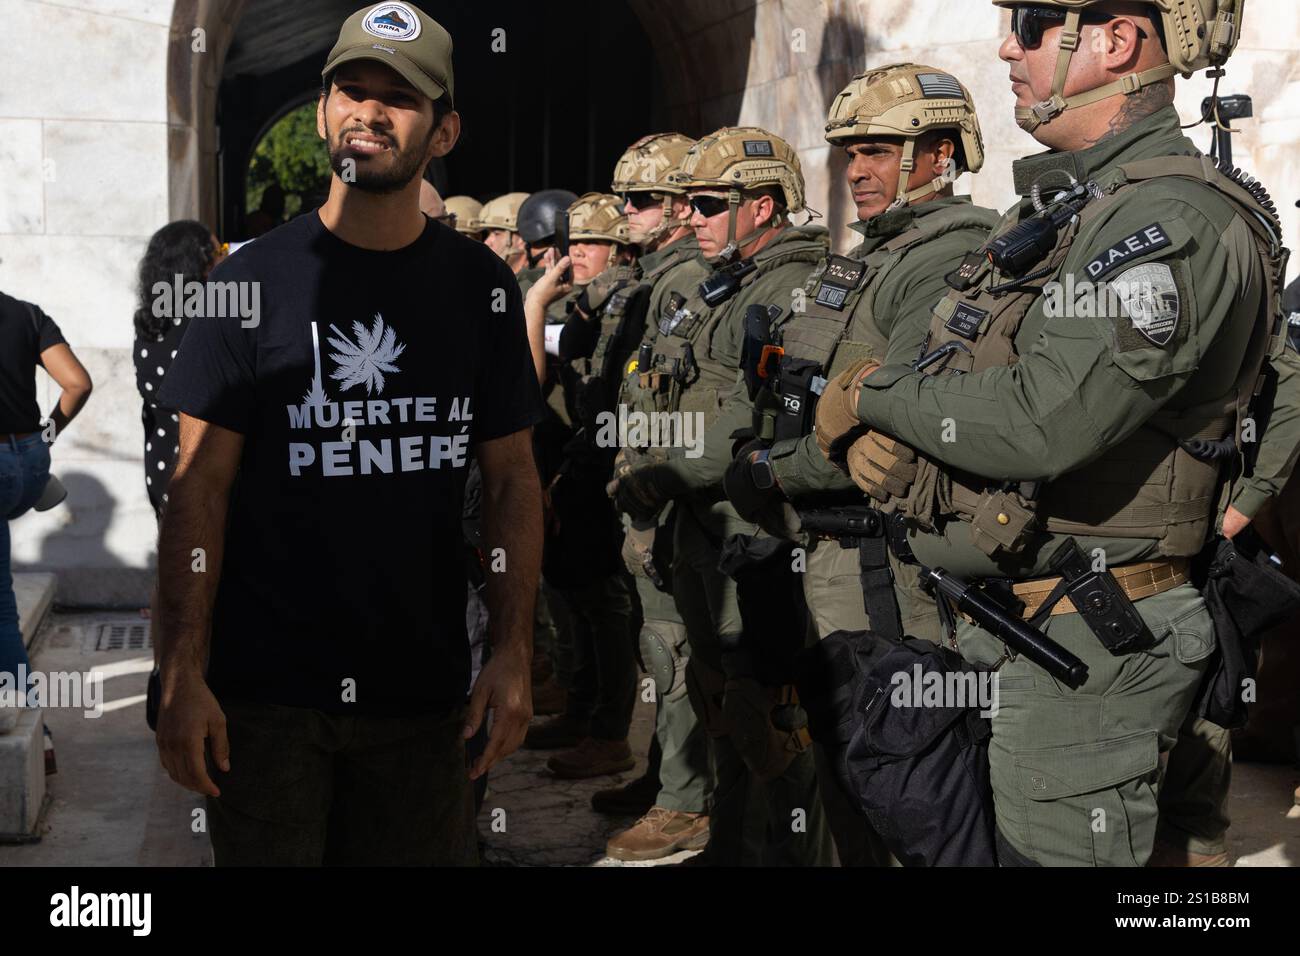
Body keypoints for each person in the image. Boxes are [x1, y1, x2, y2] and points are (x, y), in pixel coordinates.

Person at [815, 0, 1291, 867]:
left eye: (1033, 23)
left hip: (1084, 640)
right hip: (1004, 623)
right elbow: (953, 373)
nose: (1007, 45)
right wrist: (858, 431)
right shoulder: (1071, 209)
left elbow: (1042, 422)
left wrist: (868, 395)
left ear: (1116, 41)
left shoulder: (1171, 222)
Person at [153, 2, 544, 866]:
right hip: (266, 702)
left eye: (398, 98)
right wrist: (181, 668)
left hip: (424, 698)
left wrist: (513, 654)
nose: (368, 111)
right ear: (325, 108)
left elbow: (514, 480)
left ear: (443, 131)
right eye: (350, 89)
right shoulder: (246, 283)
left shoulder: (479, 288)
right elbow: (198, 488)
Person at [655, 64, 1001, 865]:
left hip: (884, 564)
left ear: (941, 153)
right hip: (815, 548)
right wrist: (780, 454)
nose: (856, 170)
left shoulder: (947, 256)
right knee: (824, 766)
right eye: (849, 151)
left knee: (901, 782)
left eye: (878, 150)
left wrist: (783, 469)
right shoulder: (867, 261)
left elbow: (903, 426)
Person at [609, 127, 835, 866]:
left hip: (756, 536)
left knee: (769, 721)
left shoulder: (792, 288)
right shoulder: (728, 280)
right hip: (706, 529)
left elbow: (760, 414)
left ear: (762, 206)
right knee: (723, 709)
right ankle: (731, 848)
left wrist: (660, 474)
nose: (691, 217)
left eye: (708, 203)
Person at [594, 133, 716, 861]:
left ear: (675, 207)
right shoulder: (656, 277)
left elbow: (669, 398)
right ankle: (667, 778)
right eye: (625, 201)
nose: (627, 215)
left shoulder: (681, 280)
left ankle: (683, 800)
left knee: (671, 653)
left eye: (638, 201)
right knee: (662, 650)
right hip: (650, 487)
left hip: (671, 494)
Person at [519, 193, 641, 779]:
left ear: (618, 247)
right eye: (576, 242)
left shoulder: (623, 300)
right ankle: (582, 709)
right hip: (577, 465)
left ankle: (607, 731)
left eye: (591, 243)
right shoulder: (589, 303)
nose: (579, 254)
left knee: (605, 605)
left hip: (601, 470)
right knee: (578, 598)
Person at [0, 290, 93, 774]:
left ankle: (35, 726)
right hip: (29, 465)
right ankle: (40, 732)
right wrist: (43, 439)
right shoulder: (25, 314)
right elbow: (77, 384)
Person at [133, 221, 227, 518]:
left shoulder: (150, 321)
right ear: (200, 262)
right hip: (203, 471)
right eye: (221, 250)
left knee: (177, 559)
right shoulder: (212, 317)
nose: (226, 256)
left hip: (163, 467)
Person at [475, 192, 531, 274]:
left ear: (522, 240)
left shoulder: (535, 282)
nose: (486, 242)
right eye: (488, 234)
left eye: (497, 234)